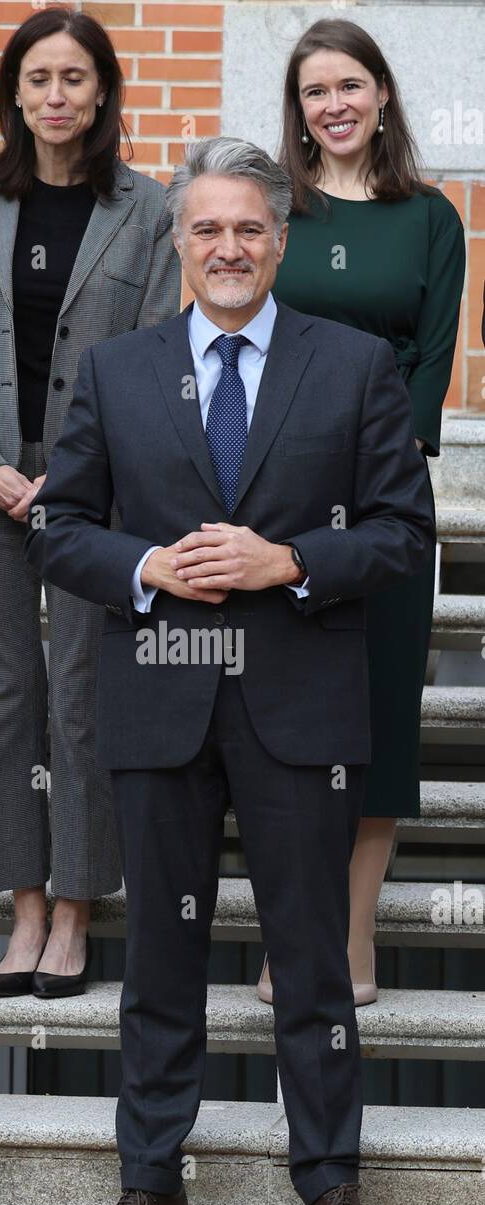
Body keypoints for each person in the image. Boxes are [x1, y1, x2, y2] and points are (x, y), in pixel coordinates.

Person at [24, 137, 436, 1205]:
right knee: (160, 955)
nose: (228, 247)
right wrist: (147, 570)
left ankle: (330, 1186)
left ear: (280, 240)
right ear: (177, 244)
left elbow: (403, 532)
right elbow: (61, 530)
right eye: (205, 228)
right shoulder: (116, 370)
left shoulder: (350, 366)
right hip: (159, 698)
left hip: (299, 703)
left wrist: (289, 562)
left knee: (309, 958)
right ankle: (151, 1186)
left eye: (249, 227)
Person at [0, 6, 180, 998]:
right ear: (15, 95)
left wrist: (73, 475)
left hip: (93, 491)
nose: (56, 96)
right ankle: (22, 907)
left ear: (102, 90)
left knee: (80, 695)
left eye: (74, 78)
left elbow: (155, 348)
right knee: (6, 696)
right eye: (39, 79)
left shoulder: (147, 209)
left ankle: (75, 911)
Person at [257, 17, 465, 1009]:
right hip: (272, 496)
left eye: (348, 85)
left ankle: (350, 933)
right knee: (280, 717)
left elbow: (429, 366)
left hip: (384, 496)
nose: (331, 104)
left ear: (380, 95)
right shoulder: (270, 213)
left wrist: (384, 467)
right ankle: (287, 934)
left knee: (378, 711)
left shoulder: (430, 218)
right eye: (312, 91)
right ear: (295, 111)